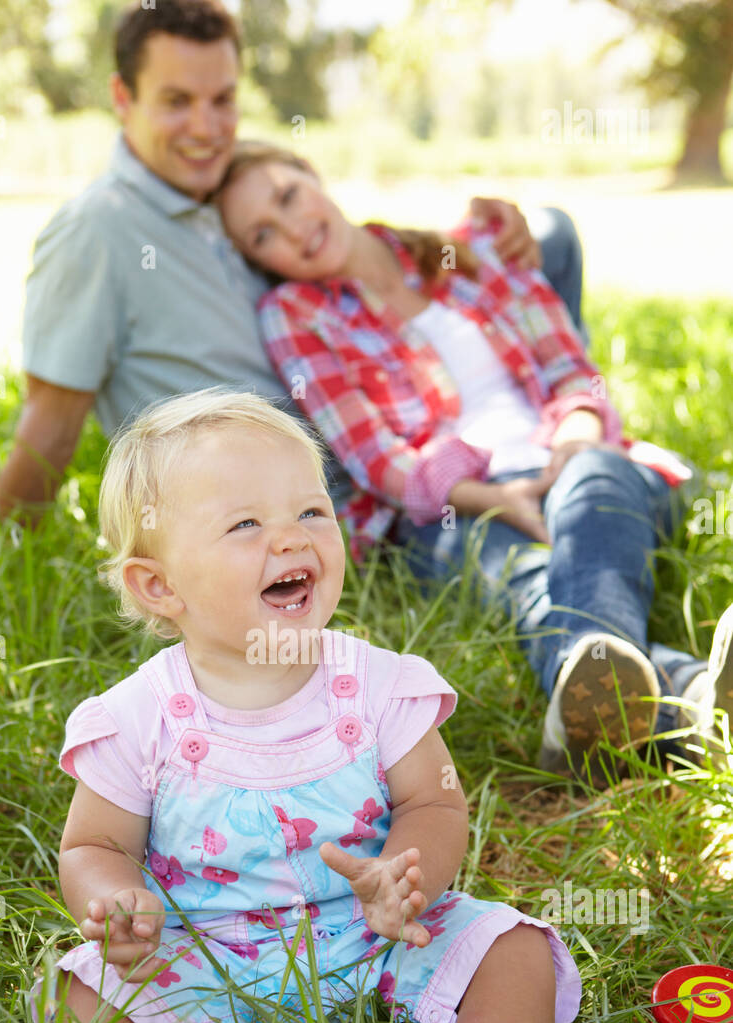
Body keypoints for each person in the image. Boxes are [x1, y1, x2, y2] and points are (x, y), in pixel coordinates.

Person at [29, 388, 582, 1023]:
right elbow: (94, 844)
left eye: (310, 510)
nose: (290, 539)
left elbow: (433, 801)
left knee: (514, 953)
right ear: (159, 585)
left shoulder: (381, 685)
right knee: (78, 996)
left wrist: (409, 877)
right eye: (244, 525)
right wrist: (114, 900)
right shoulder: (141, 715)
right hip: (204, 950)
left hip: (372, 936)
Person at [212, 142, 733, 777]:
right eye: (263, 234)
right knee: (525, 574)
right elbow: (377, 455)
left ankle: (613, 713)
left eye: (288, 196)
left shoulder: (470, 256)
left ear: (313, 174)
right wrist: (491, 498)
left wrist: (571, 443)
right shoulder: (294, 314)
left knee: (596, 480)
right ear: (259, 261)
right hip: (455, 508)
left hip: (576, 458)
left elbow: (571, 370)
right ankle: (700, 702)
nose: (292, 229)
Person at [0, 0, 589, 525]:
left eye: (222, 100)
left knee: (549, 235)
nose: (205, 127)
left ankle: (566, 422)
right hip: (319, 486)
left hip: (379, 410)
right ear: (123, 98)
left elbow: (334, 246)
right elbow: (49, 429)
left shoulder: (215, 192)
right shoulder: (96, 232)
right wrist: (8, 572)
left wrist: (461, 233)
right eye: (176, 102)